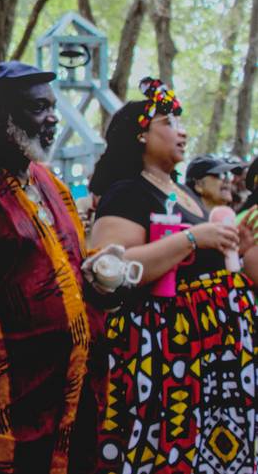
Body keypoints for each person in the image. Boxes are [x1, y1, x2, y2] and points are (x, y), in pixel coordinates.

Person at [88, 78, 257, 473]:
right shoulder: (127, 193)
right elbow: (114, 272)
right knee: (169, 451)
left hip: (214, 358)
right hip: (168, 353)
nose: (181, 131)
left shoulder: (187, 195)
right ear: (141, 135)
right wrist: (193, 239)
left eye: (180, 122)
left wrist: (237, 247)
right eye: (168, 122)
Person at [0, 63, 106, 473]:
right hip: (5, 395)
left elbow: (72, 266)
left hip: (66, 387)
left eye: (53, 107)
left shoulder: (51, 184)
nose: (53, 118)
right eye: (38, 108)